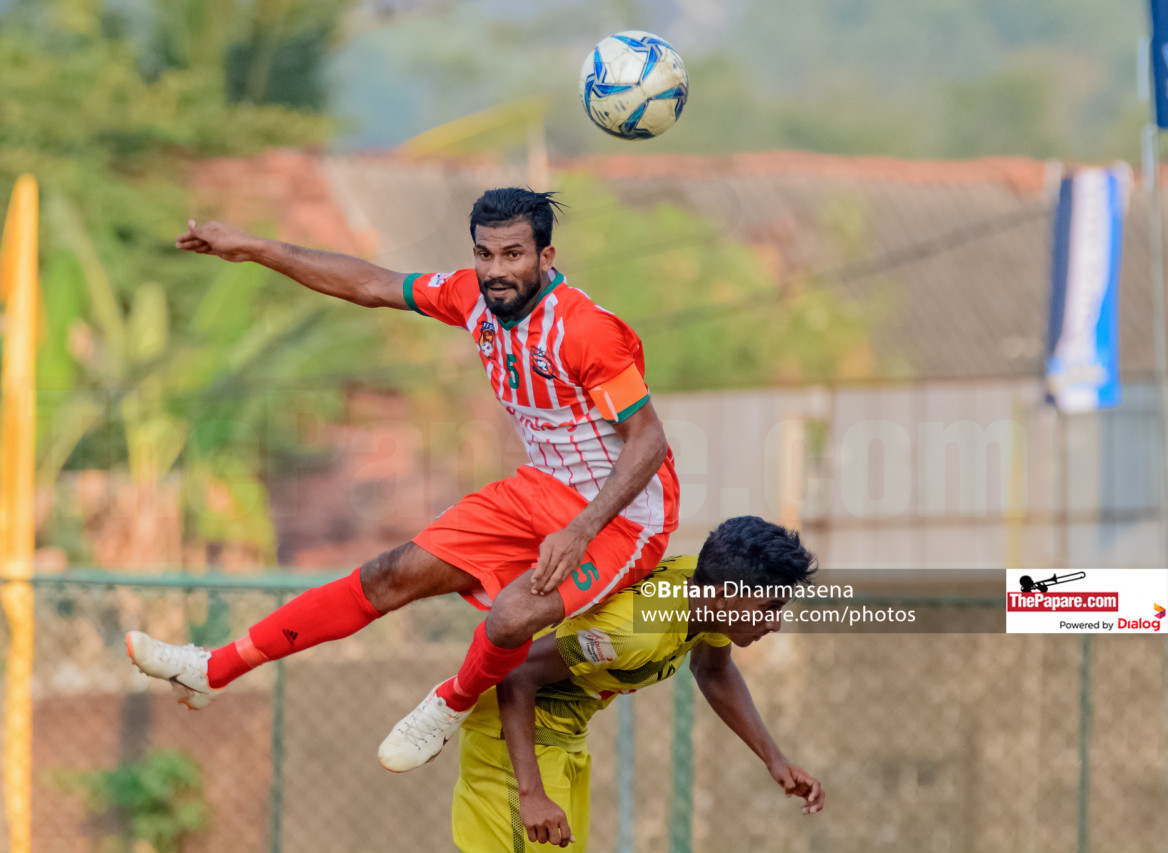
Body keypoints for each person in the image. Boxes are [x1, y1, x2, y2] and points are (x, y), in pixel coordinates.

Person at [126, 188, 679, 772]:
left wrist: (581, 529)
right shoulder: (472, 297)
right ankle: (213, 669)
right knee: (390, 574)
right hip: (540, 489)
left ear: (546, 257)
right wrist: (254, 247)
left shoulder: (587, 331)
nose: (496, 271)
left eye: (513, 255)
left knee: (512, 617)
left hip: (623, 516)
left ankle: (450, 702)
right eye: (484, 255)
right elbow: (369, 285)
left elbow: (650, 439)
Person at [452, 515, 824, 851]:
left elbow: (714, 670)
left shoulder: (705, 593)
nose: (775, 623)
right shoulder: (632, 632)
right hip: (511, 743)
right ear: (724, 597)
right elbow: (517, 671)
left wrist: (774, 759)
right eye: (770, 607)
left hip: (564, 738)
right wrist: (530, 793)